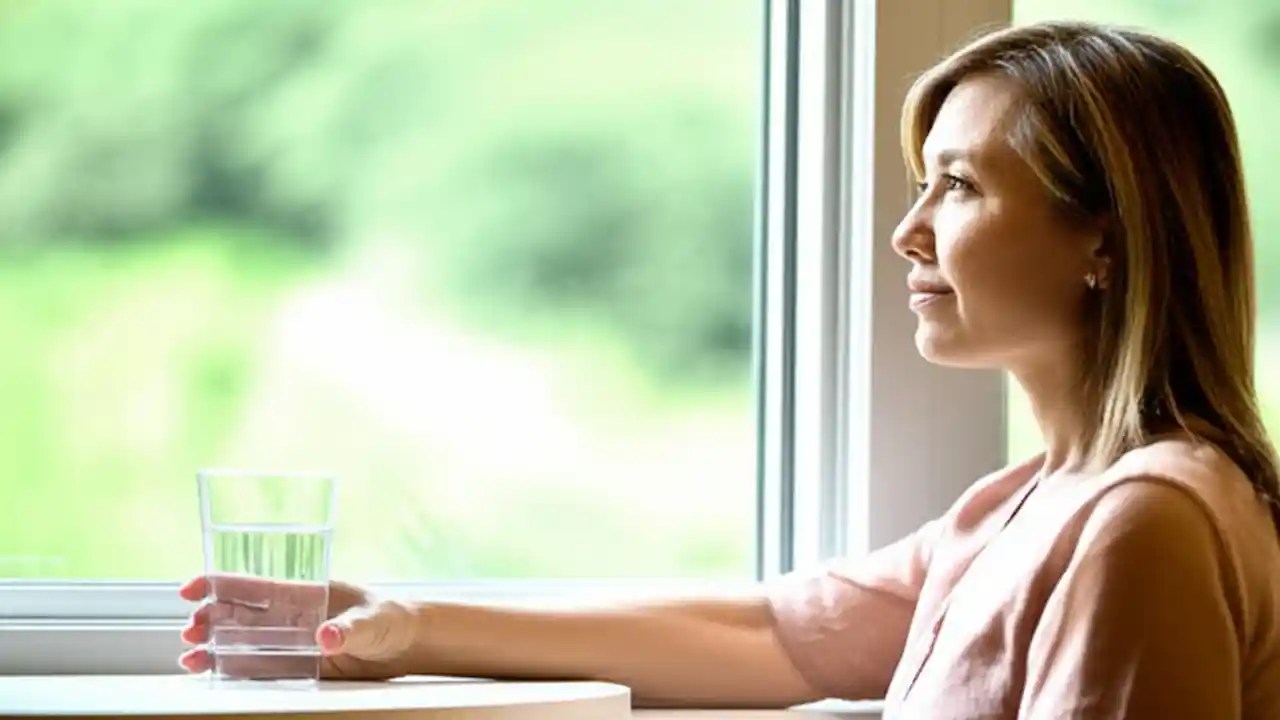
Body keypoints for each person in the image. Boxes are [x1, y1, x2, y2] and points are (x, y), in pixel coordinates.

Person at [178, 20, 1280, 718]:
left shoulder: (1145, 522)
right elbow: (764, 636)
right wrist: (401, 626)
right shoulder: (1024, 505)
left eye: (958, 186)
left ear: (1104, 239)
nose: (906, 233)